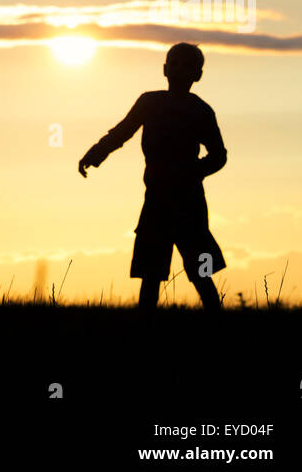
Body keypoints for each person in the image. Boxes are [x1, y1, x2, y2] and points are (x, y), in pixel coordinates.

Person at [78, 41, 227, 312]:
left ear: (198, 75)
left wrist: (192, 173)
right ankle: (145, 328)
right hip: (157, 200)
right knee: (151, 271)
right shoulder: (149, 103)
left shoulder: (201, 111)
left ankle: (216, 322)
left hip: (189, 202)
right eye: (175, 63)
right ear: (165, 69)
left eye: (188, 65)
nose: (180, 70)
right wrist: (95, 154)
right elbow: (121, 132)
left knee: (200, 270)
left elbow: (219, 155)